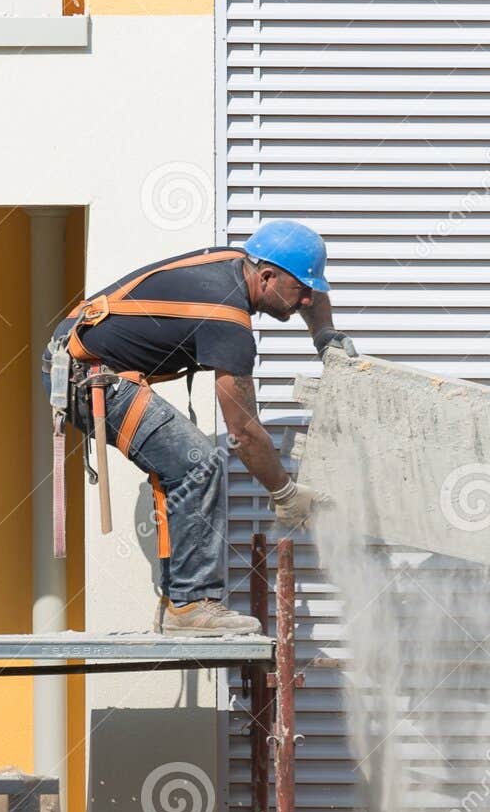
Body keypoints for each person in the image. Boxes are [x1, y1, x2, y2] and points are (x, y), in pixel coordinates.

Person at [43, 220, 356, 637]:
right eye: (301, 290)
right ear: (266, 277)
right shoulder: (227, 318)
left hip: (86, 361)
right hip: (84, 376)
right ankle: (190, 605)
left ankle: (179, 604)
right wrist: (284, 492)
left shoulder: (239, 263)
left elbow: (311, 292)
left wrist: (326, 336)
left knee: (187, 464)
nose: (306, 301)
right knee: (198, 465)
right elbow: (243, 431)